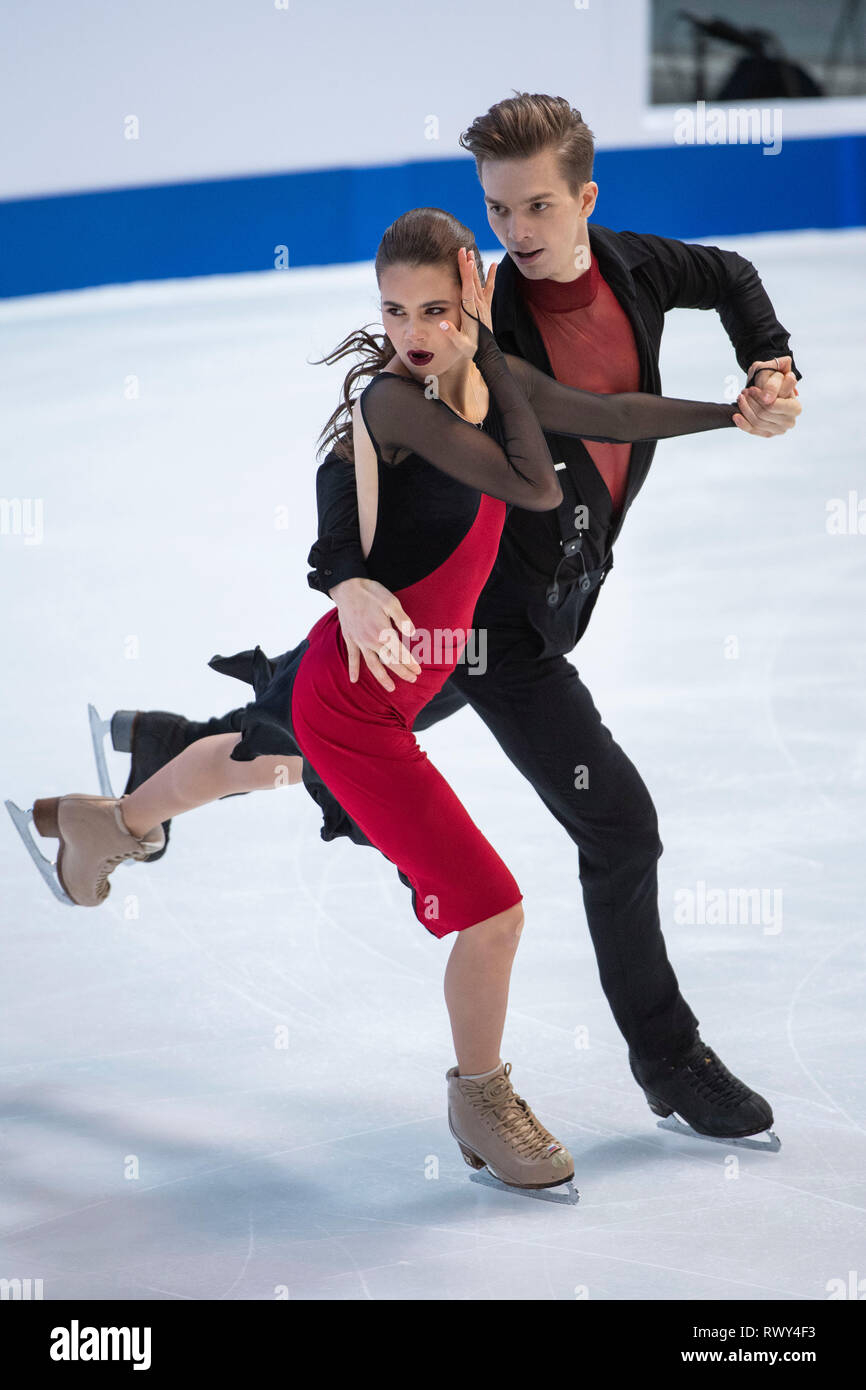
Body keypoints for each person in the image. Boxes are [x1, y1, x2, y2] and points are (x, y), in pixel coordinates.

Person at [107, 95, 802, 1148]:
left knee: (300, 732)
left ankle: (180, 747)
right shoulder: (478, 328)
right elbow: (353, 446)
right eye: (496, 210)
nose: (516, 232)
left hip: (500, 617)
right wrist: (340, 570)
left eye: (535, 206)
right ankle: (667, 1057)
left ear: (584, 200)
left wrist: (766, 368)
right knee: (615, 825)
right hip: (477, 632)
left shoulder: (638, 268)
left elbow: (726, 284)